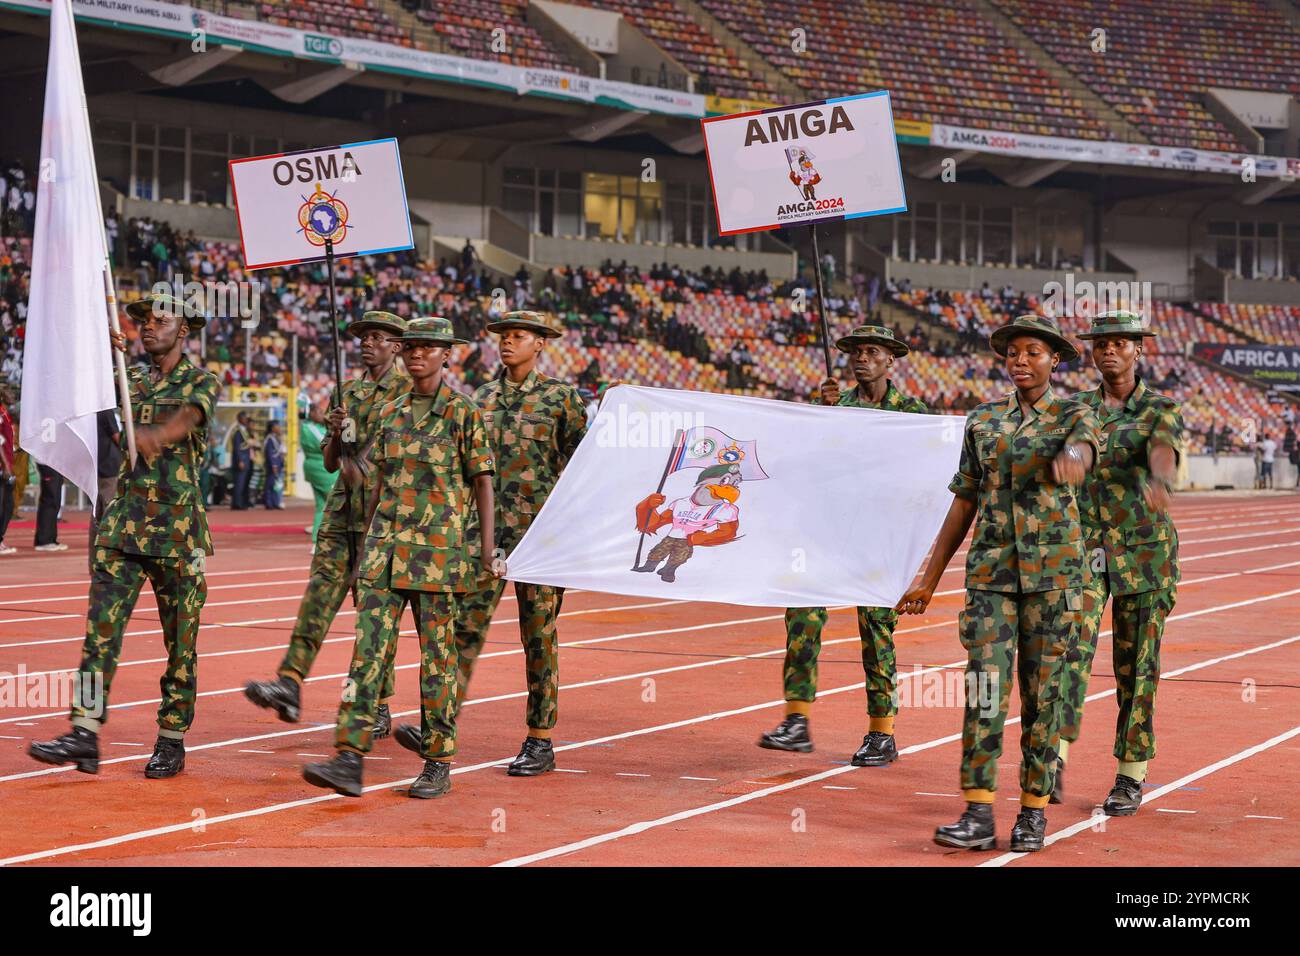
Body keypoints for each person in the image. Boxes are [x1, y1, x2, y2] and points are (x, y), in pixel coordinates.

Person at [898, 314, 1100, 853]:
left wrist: (1069, 463)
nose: (1020, 360)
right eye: (1012, 352)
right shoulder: (983, 421)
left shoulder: (1077, 413)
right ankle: (978, 810)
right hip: (990, 577)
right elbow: (963, 500)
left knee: (1044, 696)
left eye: (1033, 351)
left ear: (1054, 359)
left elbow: (1083, 455)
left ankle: (1033, 811)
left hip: (1055, 581)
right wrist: (928, 579)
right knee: (984, 689)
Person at [302, 316, 498, 800]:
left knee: (437, 661)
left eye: (428, 348)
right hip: (383, 554)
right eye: (410, 347)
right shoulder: (388, 412)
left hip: (437, 556)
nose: (416, 355)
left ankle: (438, 760)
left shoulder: (463, 412)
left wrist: (487, 550)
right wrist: (364, 539)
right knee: (365, 657)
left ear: (447, 355)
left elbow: (483, 483)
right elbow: (369, 482)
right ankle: (348, 757)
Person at [28, 293, 220, 778]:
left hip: (178, 530)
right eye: (143, 321)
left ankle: (172, 738)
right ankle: (85, 732)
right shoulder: (124, 378)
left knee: (181, 641)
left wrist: (155, 436)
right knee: (100, 636)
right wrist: (103, 362)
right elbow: (99, 414)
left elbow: (189, 418)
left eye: (162, 319)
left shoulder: (202, 380)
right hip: (122, 526)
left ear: (185, 329)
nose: (149, 327)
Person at [760, 325, 927, 765]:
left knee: (876, 633)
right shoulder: (835, 405)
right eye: (855, 352)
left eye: (872, 352)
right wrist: (825, 415)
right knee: (802, 616)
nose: (860, 359)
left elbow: (922, 474)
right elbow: (807, 462)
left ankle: (881, 733)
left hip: (879, 539)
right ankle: (796, 721)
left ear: (892, 360)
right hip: (830, 533)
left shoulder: (913, 412)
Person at [245, 313, 410, 733]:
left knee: (373, 615)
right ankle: (290, 682)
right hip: (342, 513)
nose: (366, 343)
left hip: (382, 518)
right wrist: (336, 433)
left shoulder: (409, 394)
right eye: (362, 337)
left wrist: (361, 464)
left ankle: (377, 703)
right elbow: (332, 462)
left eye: (376, 337)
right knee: (318, 599)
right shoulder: (347, 391)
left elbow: (391, 462)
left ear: (396, 346)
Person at [1059, 310, 1182, 815]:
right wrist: (1072, 461)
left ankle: (1130, 774)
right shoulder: (1077, 409)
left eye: (1119, 343)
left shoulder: (1161, 407)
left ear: (1138, 350)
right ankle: (1053, 757)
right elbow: (1076, 448)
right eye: (1100, 343)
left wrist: (1159, 482)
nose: (1108, 350)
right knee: (1067, 651)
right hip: (1084, 554)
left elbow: (1163, 452)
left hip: (1145, 557)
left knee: (1137, 668)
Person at [453, 311, 587, 776]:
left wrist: (571, 532)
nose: (508, 343)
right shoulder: (482, 398)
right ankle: (440, 722)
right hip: (485, 535)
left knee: (539, 638)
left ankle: (540, 740)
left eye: (518, 336)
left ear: (540, 345)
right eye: (504, 337)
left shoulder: (561, 399)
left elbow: (581, 469)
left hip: (540, 539)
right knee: (463, 629)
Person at [87, 408, 122, 568]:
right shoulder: (105, 409)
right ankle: (107, 560)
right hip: (109, 467)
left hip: (96, 466)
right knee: (110, 515)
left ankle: (96, 561)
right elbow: (117, 437)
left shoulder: (89, 408)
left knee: (97, 516)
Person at [299, 397, 337, 541]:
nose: (323, 415)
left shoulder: (313, 427)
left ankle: (317, 538)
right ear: (312, 413)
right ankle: (327, 536)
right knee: (336, 501)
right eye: (320, 412)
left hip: (318, 467)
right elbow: (326, 445)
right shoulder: (310, 428)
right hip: (321, 468)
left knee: (322, 504)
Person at [33, 464, 66, 551]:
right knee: (49, 500)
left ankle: (51, 539)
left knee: (54, 502)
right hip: (48, 463)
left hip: (55, 463)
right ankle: (44, 541)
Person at [0, 384, 14, 555]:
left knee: (8, 504)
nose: (12, 394)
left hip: (7, 464)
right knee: (3, 504)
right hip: (3, 466)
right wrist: (6, 466)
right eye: (8, 391)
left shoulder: (4, 412)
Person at [229, 411, 253, 509]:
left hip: (246, 459)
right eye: (245, 418)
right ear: (239, 419)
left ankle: (241, 502)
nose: (246, 420)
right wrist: (240, 460)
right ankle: (237, 504)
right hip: (241, 460)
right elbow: (237, 447)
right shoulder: (238, 431)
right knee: (239, 483)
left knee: (243, 483)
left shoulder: (245, 430)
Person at [261, 421, 285, 509]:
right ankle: (268, 503)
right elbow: (269, 453)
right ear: (272, 428)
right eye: (277, 426)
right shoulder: (270, 439)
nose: (279, 428)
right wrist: (273, 465)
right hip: (273, 465)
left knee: (276, 485)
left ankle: (275, 502)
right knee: (270, 484)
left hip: (278, 464)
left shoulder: (276, 438)